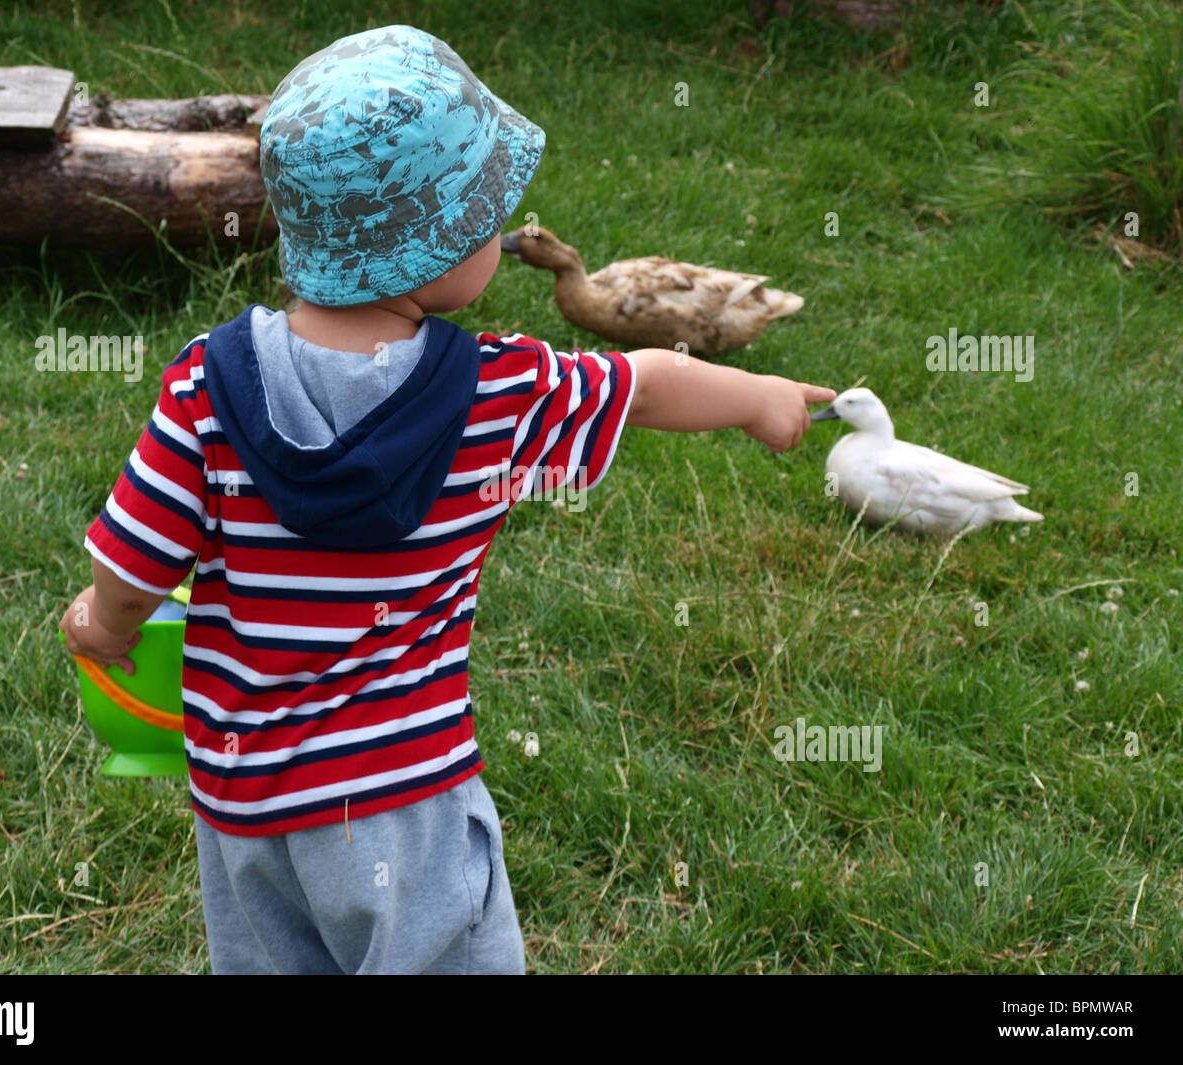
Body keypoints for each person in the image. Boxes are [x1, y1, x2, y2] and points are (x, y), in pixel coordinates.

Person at [59, 24, 834, 974]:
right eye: (485, 219)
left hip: (246, 804)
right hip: (406, 803)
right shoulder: (501, 392)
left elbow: (133, 567)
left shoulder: (203, 387)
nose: (501, 237)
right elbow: (644, 381)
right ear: (434, 247)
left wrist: (102, 626)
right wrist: (757, 399)